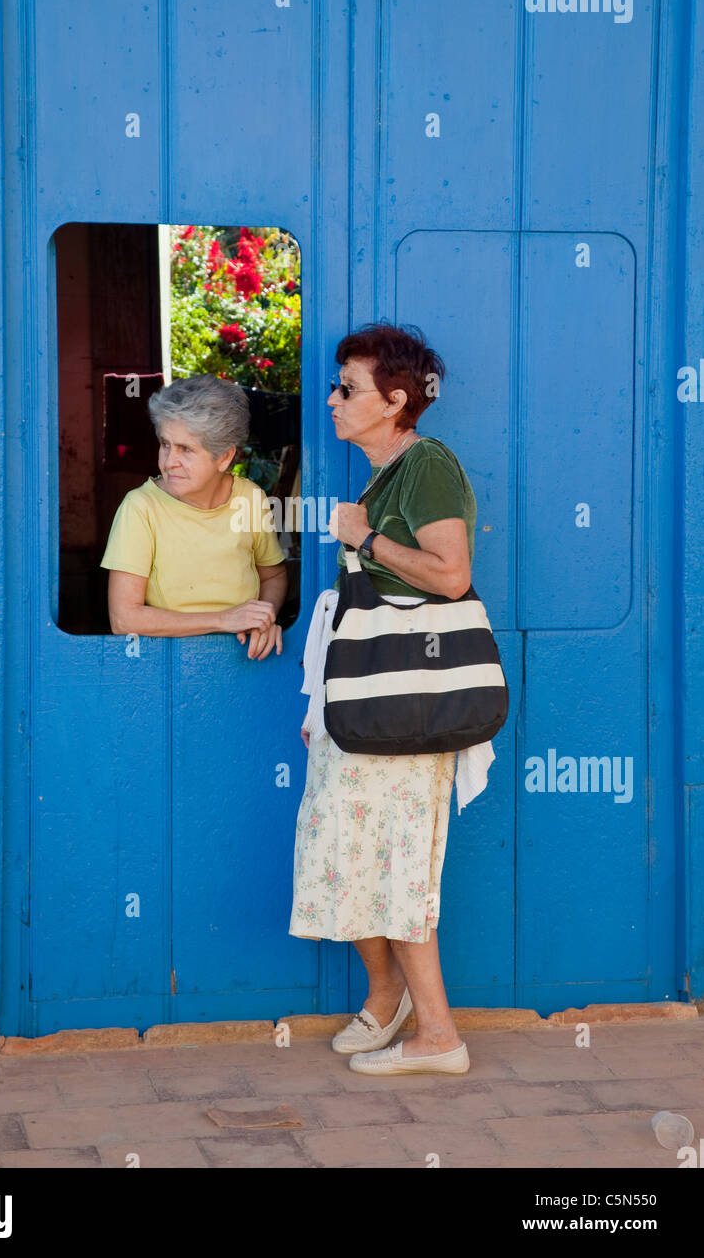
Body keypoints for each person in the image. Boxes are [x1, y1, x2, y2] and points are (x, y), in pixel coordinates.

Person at [289, 322, 490, 1075]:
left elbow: (450, 576)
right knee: (346, 853)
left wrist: (366, 540)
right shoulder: (382, 474)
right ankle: (387, 1000)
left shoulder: (427, 465)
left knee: (400, 863)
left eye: (349, 388)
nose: (334, 400)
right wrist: (324, 709)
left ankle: (440, 1037)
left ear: (394, 401)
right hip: (368, 701)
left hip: (412, 705)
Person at [100, 374, 287, 657]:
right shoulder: (140, 507)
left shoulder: (249, 498)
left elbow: (274, 577)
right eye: (165, 444)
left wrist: (263, 618)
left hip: (245, 662)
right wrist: (224, 619)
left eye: (185, 449)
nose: (169, 461)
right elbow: (123, 618)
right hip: (167, 667)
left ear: (224, 457)